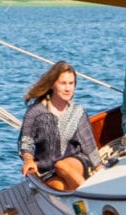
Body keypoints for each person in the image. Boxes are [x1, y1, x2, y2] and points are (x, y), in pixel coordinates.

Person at [17, 60, 101, 192]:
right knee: (59, 187)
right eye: (63, 83)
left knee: (61, 165)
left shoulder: (77, 112)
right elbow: (25, 142)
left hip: (75, 161)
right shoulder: (35, 112)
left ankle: (94, 194)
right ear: (52, 85)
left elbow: (89, 145)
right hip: (47, 169)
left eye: (71, 83)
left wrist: (99, 169)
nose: (68, 88)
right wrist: (28, 159)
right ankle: (84, 199)